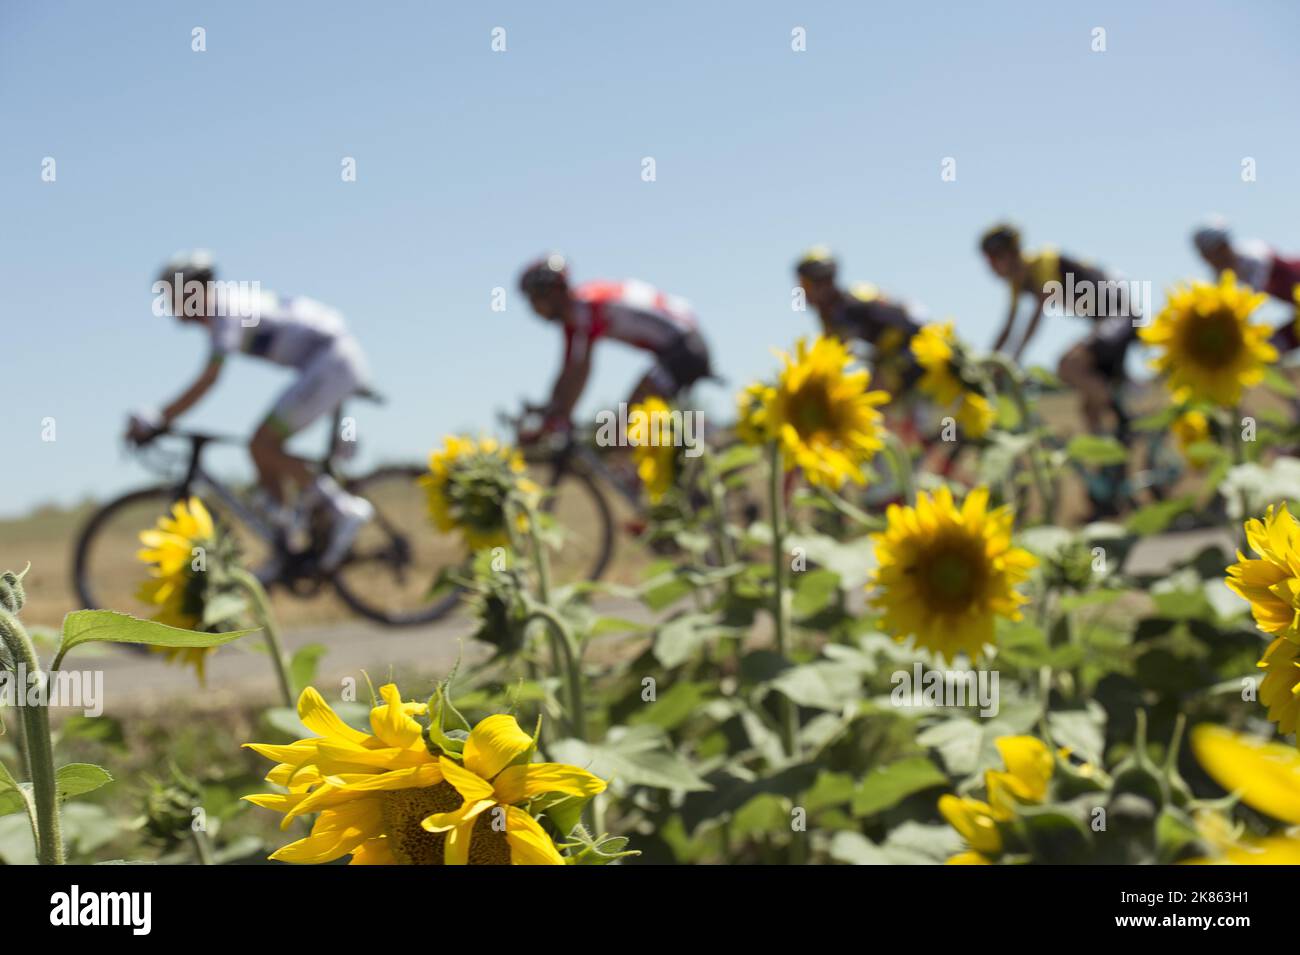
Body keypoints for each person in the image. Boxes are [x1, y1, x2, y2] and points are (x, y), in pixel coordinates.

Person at [128, 251, 373, 570]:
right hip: (325, 360)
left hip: (331, 361)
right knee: (261, 453)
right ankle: (285, 548)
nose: (169, 305)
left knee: (261, 444)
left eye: (170, 295)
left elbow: (210, 378)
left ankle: (342, 507)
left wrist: (160, 418)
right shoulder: (223, 309)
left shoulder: (223, 310)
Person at [517, 253, 713, 435]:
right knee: (626, 425)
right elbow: (568, 368)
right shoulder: (579, 313)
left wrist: (559, 414)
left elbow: (579, 370)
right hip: (679, 348)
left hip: (685, 348)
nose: (533, 309)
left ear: (551, 293)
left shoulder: (584, 307)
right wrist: (554, 407)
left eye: (533, 299)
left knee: (626, 424)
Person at [980, 223, 1139, 436]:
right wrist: (987, 362)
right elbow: (1008, 328)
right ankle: (1113, 463)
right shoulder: (1017, 283)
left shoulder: (1044, 261)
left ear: (1012, 253)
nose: (990, 267)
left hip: (1122, 315)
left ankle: (1125, 421)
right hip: (1105, 321)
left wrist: (1013, 359)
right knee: (1089, 409)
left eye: (994, 258)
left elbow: (1037, 313)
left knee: (1068, 366)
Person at [793, 245, 925, 396]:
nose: (802, 293)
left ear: (824, 284)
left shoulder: (852, 305)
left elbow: (912, 321)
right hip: (894, 363)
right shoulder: (832, 318)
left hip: (913, 356)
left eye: (806, 286)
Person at [1192, 217, 1300, 350]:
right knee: (1273, 346)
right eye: (1205, 257)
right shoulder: (1222, 271)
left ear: (1223, 247)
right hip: (1293, 302)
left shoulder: (1253, 257)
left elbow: (1252, 299)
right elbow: (1219, 297)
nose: (1211, 262)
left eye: (1212, 254)